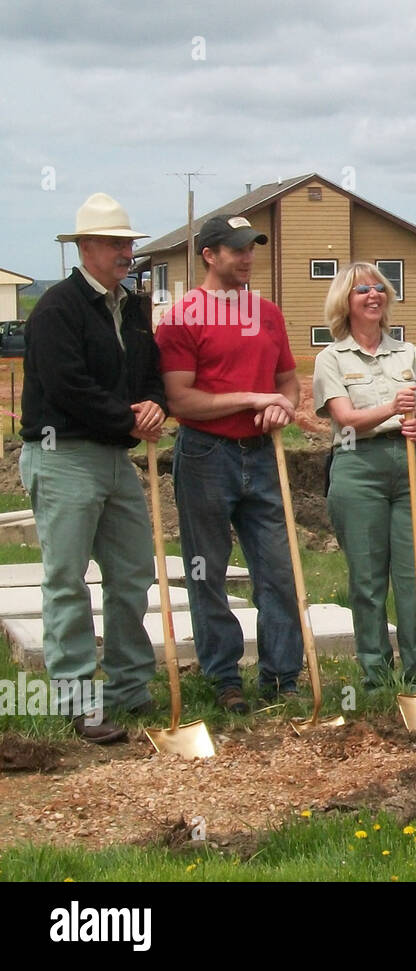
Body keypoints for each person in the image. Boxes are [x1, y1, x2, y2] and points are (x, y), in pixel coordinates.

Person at [18, 193, 164, 743]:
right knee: (66, 580)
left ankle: (129, 687)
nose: (127, 252)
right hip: (65, 456)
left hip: (115, 457)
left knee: (132, 573)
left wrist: (154, 405)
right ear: (84, 247)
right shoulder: (57, 309)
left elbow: (150, 372)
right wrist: (129, 420)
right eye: (115, 243)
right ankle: (78, 699)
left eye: (129, 243)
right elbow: (66, 385)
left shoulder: (133, 306)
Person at [155, 215, 302, 714]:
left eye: (252, 248)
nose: (247, 257)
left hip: (263, 454)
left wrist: (281, 403)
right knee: (207, 570)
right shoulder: (182, 318)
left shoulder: (268, 314)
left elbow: (288, 381)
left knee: (278, 571)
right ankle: (224, 679)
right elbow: (180, 400)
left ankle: (283, 678)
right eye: (236, 249)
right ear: (209, 255)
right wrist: (249, 398)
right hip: (204, 454)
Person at [312, 263, 416, 690]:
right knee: (367, 577)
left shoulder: (408, 352)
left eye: (379, 289)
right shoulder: (331, 358)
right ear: (345, 302)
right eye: (362, 289)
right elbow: (345, 420)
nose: (373, 296)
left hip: (410, 467)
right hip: (357, 465)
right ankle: (375, 676)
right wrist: (390, 408)